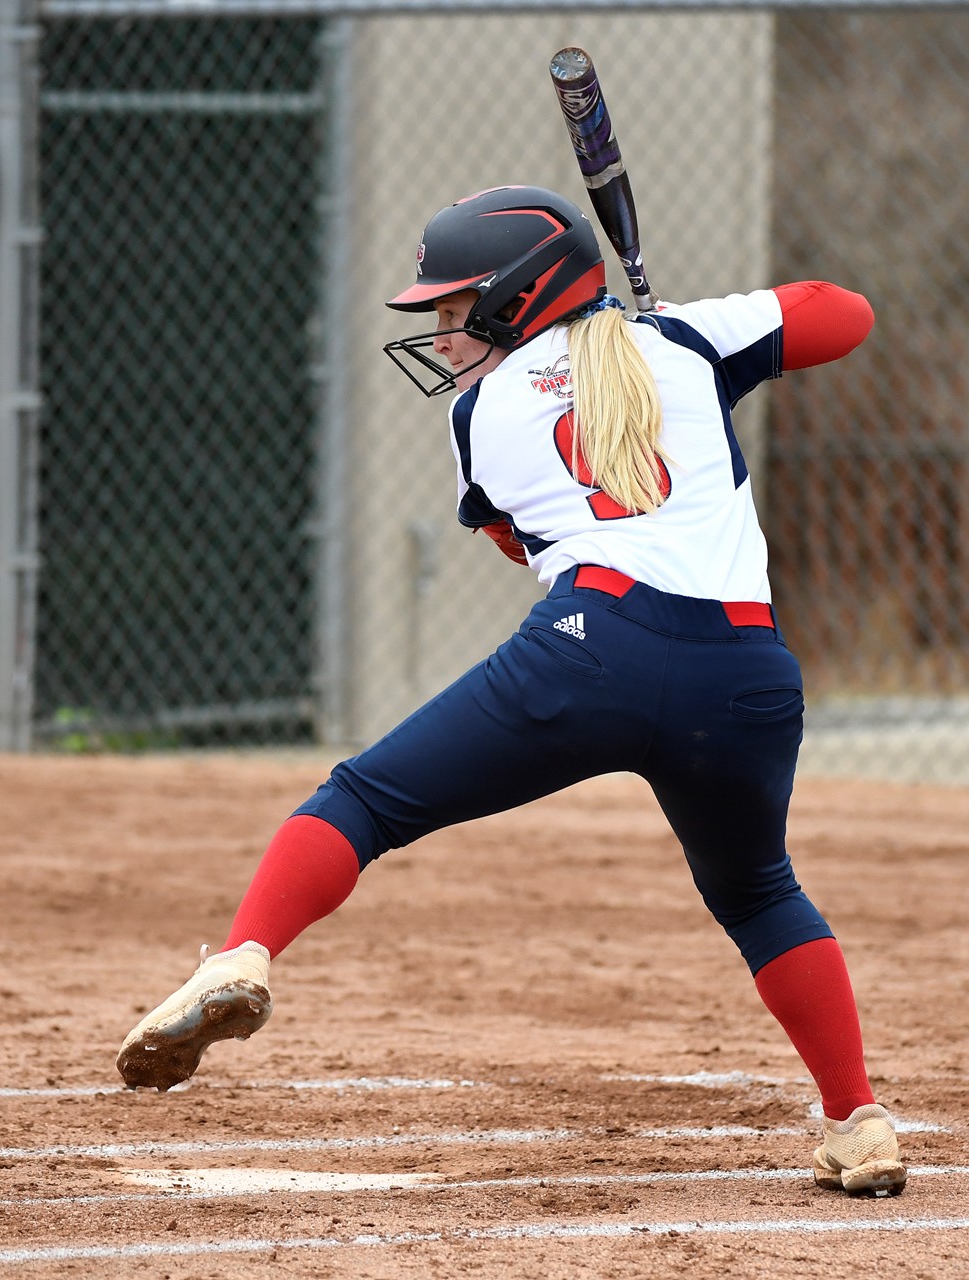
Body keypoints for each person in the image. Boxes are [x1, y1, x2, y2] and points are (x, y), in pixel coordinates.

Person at [116, 185, 908, 1198]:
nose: (441, 337)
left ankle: (243, 955)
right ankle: (858, 1118)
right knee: (758, 888)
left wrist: (640, 356)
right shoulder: (688, 339)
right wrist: (688, 335)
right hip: (746, 673)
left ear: (517, 299)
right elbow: (849, 314)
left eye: (452, 312)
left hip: (592, 648)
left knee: (360, 800)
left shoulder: (481, 414)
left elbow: (517, 537)